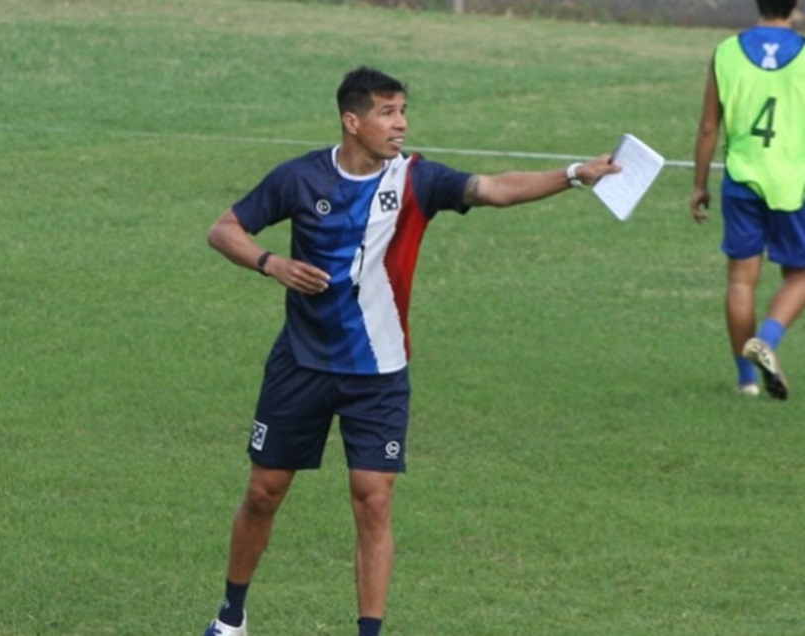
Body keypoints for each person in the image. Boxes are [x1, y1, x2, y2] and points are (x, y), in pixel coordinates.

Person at [202, 66, 619, 636]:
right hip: (301, 364)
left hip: (379, 373)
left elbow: (493, 188)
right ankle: (231, 618)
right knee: (263, 492)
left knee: (372, 499)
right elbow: (224, 229)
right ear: (352, 121)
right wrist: (272, 263)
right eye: (387, 113)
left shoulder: (418, 180)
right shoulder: (300, 178)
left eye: (403, 112)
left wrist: (575, 174)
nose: (401, 124)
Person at [690, 0, 805, 400]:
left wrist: (699, 184)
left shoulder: (726, 52)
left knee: (741, 280)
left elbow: (708, 126)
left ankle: (746, 381)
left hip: (741, 179)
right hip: (794, 182)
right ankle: (768, 338)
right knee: (800, 274)